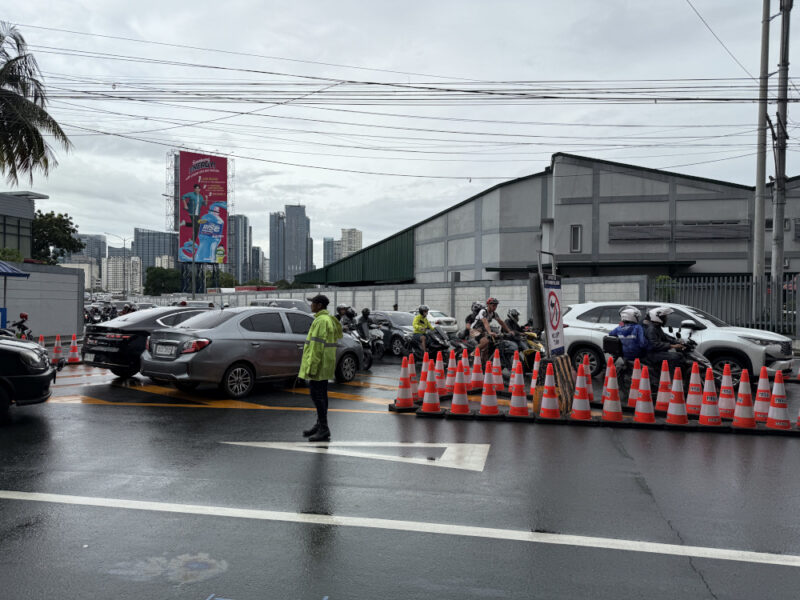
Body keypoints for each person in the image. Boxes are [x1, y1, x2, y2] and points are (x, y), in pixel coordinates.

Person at [299, 294, 342, 442]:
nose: (311, 305)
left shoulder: (320, 321)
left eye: (313, 303)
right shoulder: (326, 319)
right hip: (325, 363)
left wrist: (311, 367)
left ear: (319, 305)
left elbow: (316, 347)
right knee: (321, 394)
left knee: (317, 395)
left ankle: (324, 428)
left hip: (319, 365)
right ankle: (320, 425)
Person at [643, 306, 685, 371]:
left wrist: (677, 342)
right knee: (677, 357)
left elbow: (665, 338)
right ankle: (671, 376)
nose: (666, 319)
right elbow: (655, 344)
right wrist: (672, 346)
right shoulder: (651, 329)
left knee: (680, 355)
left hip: (657, 352)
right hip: (652, 354)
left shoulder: (657, 327)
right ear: (658, 318)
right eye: (664, 317)